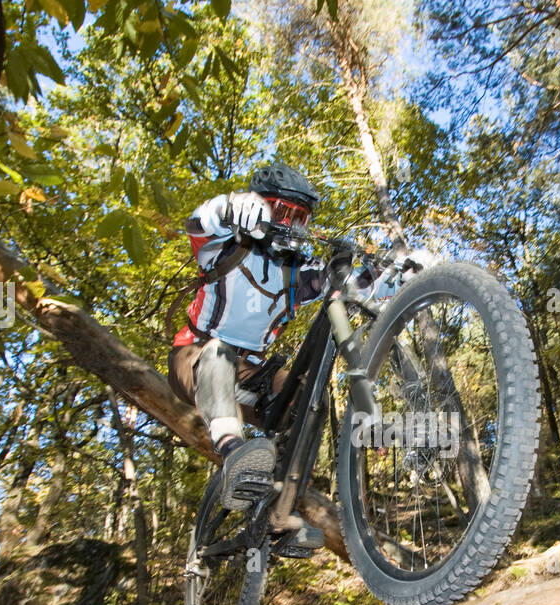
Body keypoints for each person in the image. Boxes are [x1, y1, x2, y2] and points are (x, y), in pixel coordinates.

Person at [166, 161, 399, 546]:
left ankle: (278, 508)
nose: (289, 224)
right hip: (192, 358)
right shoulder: (224, 248)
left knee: (308, 395)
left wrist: (406, 276)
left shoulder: (295, 272)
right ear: (260, 206)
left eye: (300, 217)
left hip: (251, 375)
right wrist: (231, 206)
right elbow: (200, 223)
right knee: (219, 353)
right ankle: (233, 451)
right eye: (282, 212)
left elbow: (353, 287)